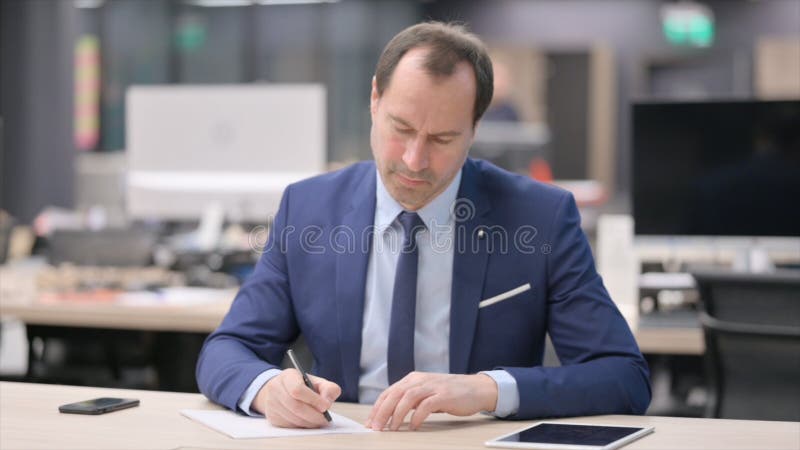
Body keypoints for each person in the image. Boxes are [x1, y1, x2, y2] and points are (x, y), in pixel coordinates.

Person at [196, 21, 650, 431]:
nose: (414, 160)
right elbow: (226, 349)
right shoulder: (309, 208)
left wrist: (486, 389)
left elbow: (623, 376)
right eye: (401, 128)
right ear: (375, 100)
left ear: (474, 128)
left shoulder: (541, 217)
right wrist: (266, 388)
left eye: (442, 139)